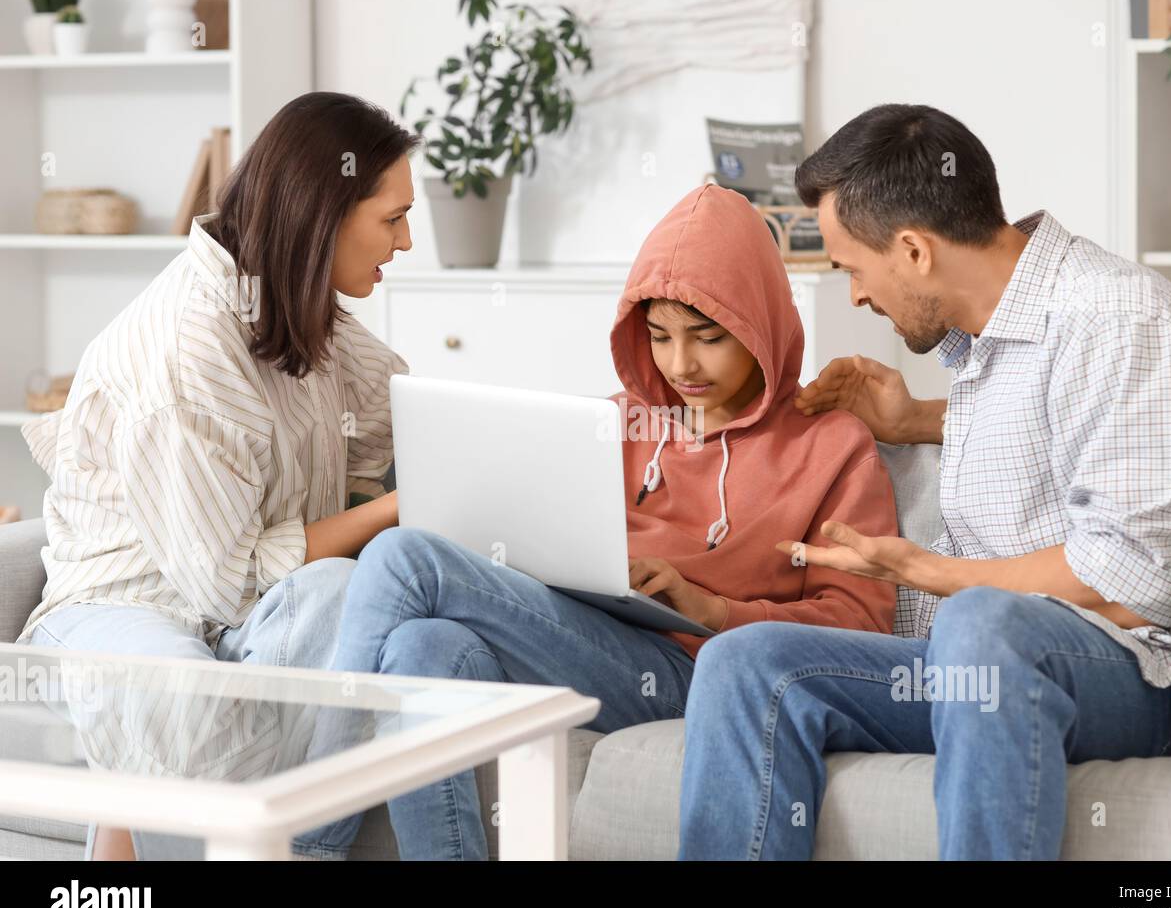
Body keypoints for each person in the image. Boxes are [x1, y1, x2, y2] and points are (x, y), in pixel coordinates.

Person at [677, 103, 1171, 860]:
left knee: (979, 623)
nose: (857, 296)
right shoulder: (996, 338)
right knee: (748, 663)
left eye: (851, 270)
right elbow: (1067, 437)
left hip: (1121, 673)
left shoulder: (1116, 320)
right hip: (973, 669)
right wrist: (918, 420)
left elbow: (1130, 585)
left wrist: (931, 572)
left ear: (912, 250)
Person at [295, 183, 899, 860]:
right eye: (660, 337)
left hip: (694, 670)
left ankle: (309, 842)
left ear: (760, 325)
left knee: (403, 557)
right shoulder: (615, 419)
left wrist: (714, 607)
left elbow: (861, 630)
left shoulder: (832, 445)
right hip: (580, 636)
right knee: (422, 650)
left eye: (707, 338)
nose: (680, 365)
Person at [19, 92, 416, 860]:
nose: (406, 241)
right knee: (179, 694)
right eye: (391, 219)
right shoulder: (188, 346)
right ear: (323, 214)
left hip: (236, 615)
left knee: (341, 596)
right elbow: (228, 581)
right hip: (127, 604)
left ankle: (246, 842)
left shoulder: (302, 309)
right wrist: (392, 510)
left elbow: (406, 413)